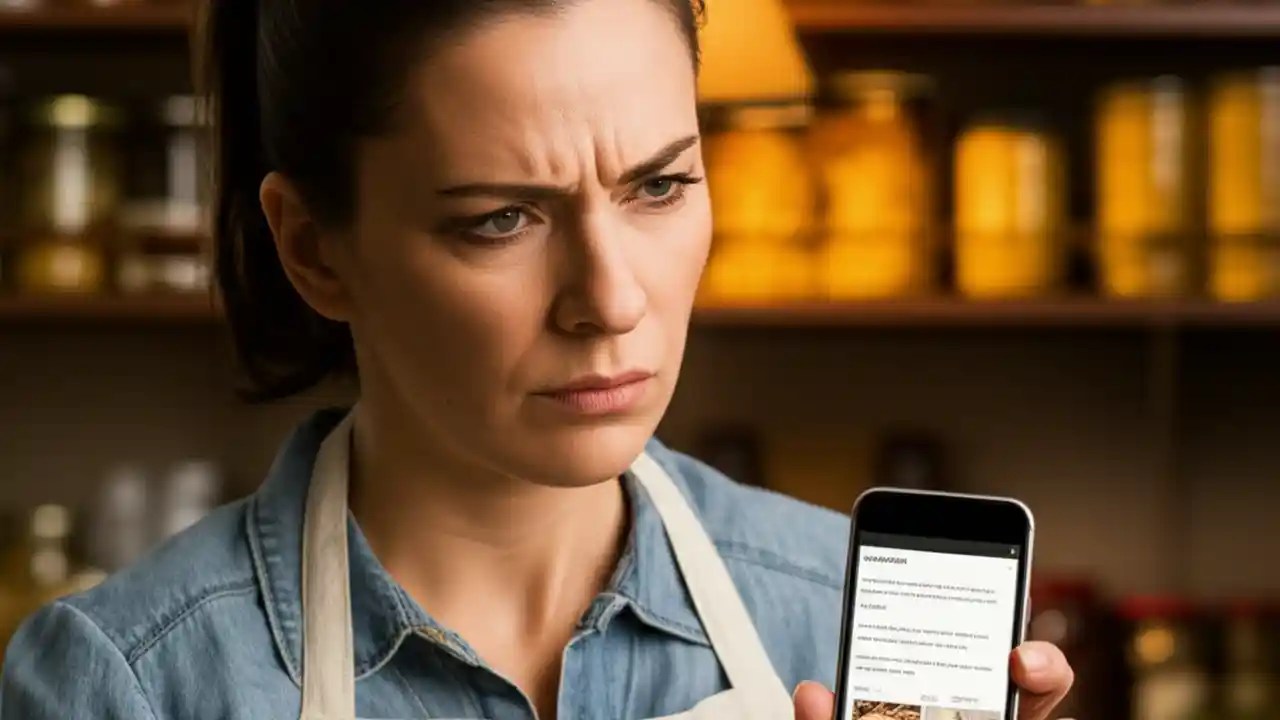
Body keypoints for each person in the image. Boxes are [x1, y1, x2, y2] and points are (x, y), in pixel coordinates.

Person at [0, 1, 1075, 718]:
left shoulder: (848, 618)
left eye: (659, 186)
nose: (611, 300)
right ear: (314, 250)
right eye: (501, 219)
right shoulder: (128, 684)